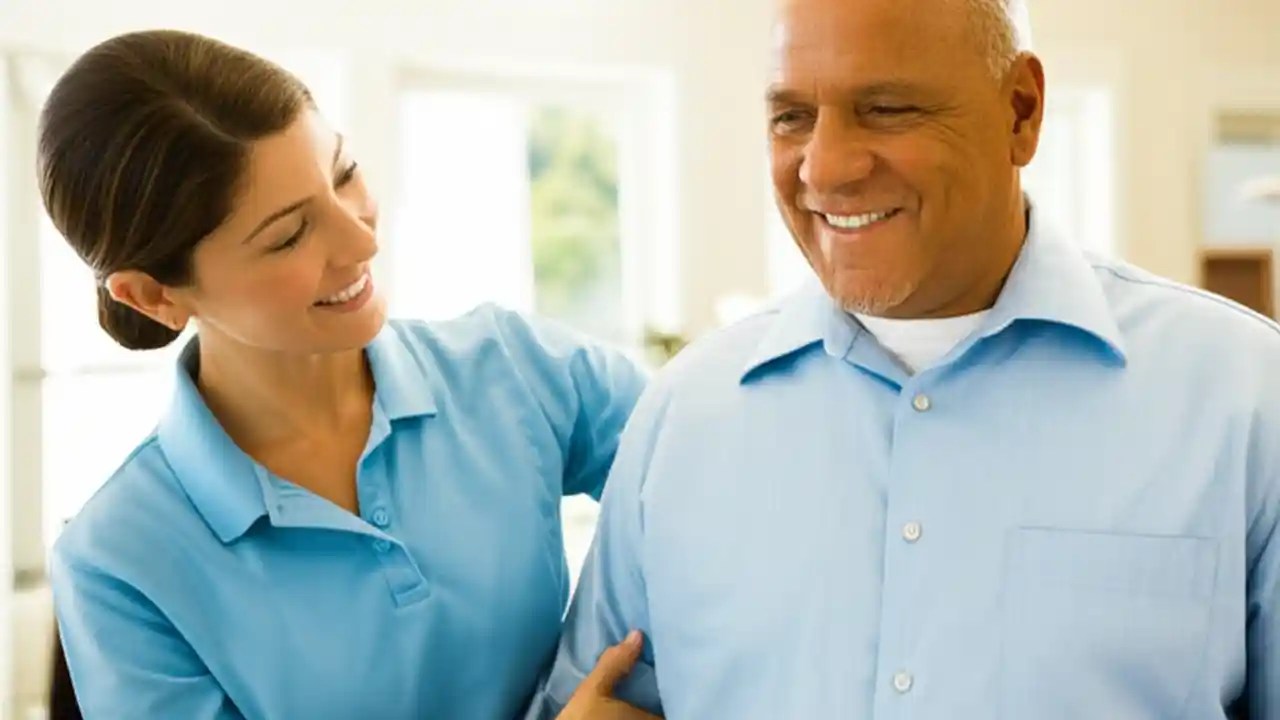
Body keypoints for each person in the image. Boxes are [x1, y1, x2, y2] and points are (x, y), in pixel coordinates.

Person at [529, 0, 1280, 717]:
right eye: (792, 117)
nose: (824, 170)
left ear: (1020, 111)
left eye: (886, 109)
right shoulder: (684, 414)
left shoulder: (1241, 398)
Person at [44, 29, 657, 719]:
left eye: (342, 174)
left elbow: (729, 486)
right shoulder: (119, 562)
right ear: (154, 295)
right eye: (287, 235)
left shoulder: (514, 369)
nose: (362, 240)